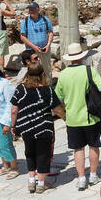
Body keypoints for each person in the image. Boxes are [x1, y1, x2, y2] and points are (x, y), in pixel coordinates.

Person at [54, 43, 101, 189]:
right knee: (94, 146)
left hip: (73, 119)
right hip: (91, 117)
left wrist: (65, 113)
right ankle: (93, 175)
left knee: (78, 149)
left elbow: (59, 97)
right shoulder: (89, 71)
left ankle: (81, 178)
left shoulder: (63, 74)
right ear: (82, 56)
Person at [11, 59, 62, 193]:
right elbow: (57, 109)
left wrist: (13, 126)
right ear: (42, 73)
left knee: (30, 153)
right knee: (43, 154)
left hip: (26, 128)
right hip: (43, 127)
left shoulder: (20, 89)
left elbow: (14, 110)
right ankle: (41, 183)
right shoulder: (47, 90)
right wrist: (67, 119)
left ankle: (31, 181)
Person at [21, 2, 55, 83]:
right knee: (33, 69)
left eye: (33, 9)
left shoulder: (45, 19)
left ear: (38, 9)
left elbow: (50, 32)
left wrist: (48, 44)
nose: (31, 11)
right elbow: (22, 37)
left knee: (47, 69)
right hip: (32, 51)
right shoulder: (25, 21)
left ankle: (48, 86)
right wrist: (34, 47)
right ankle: (35, 85)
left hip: (45, 49)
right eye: (30, 9)